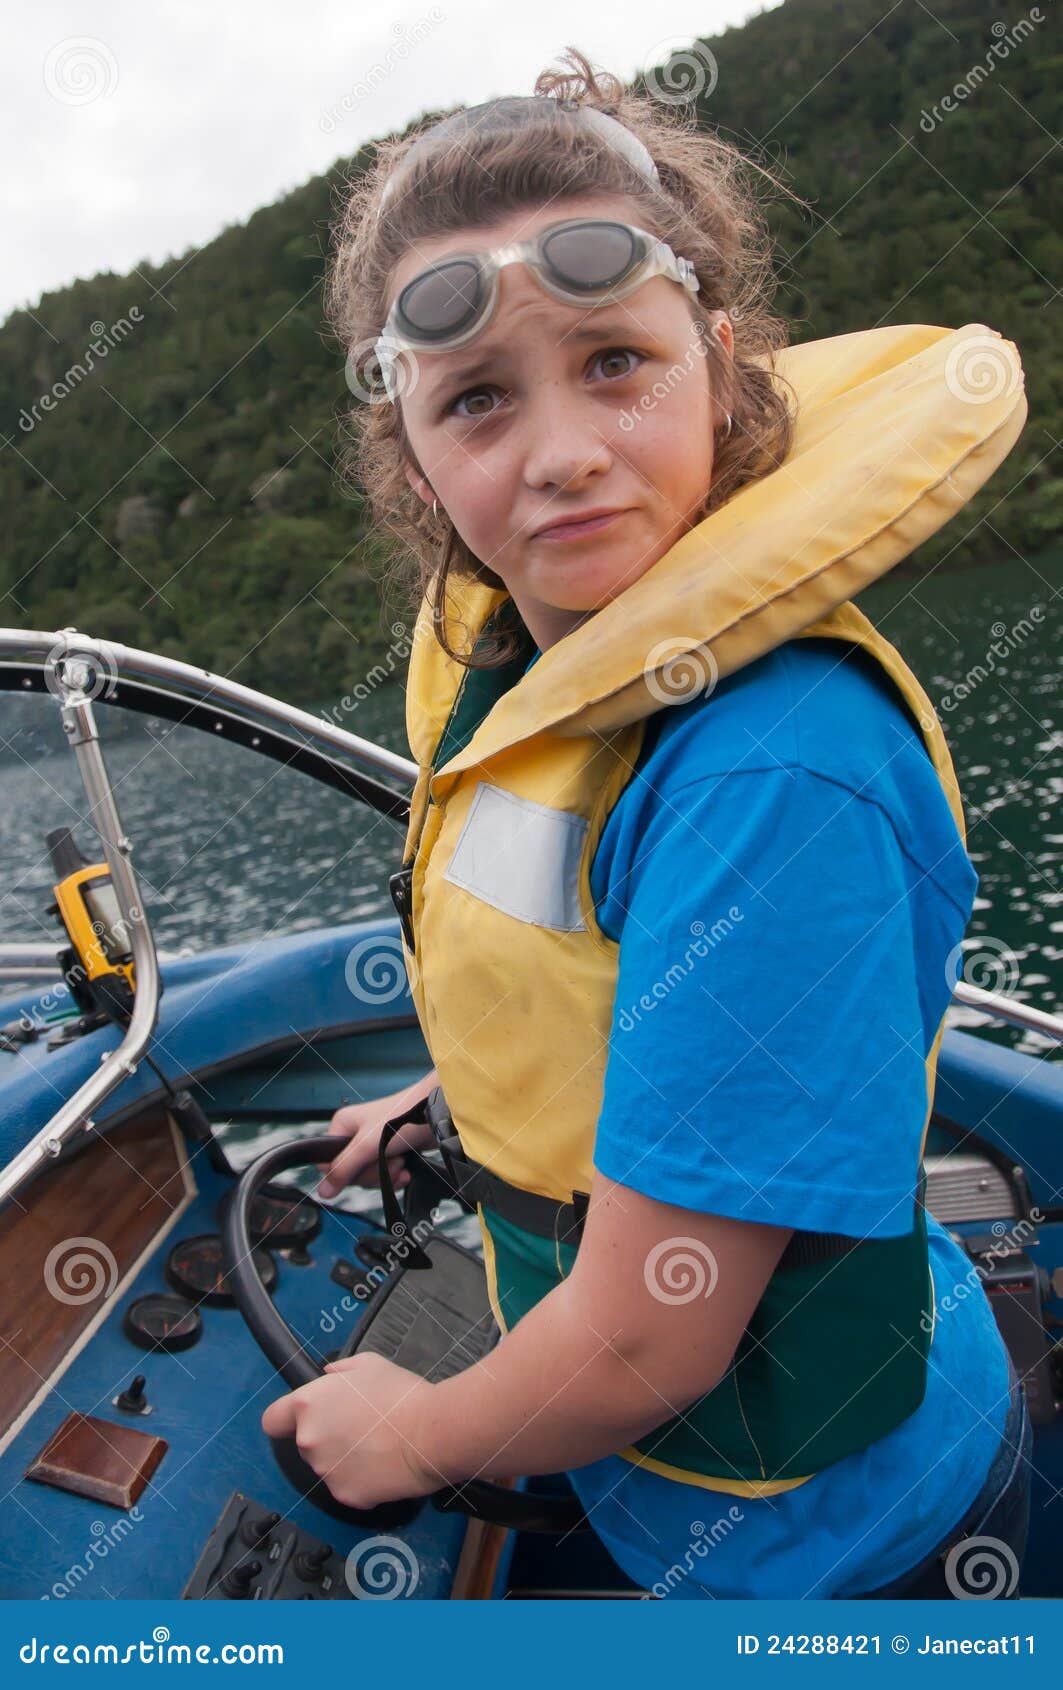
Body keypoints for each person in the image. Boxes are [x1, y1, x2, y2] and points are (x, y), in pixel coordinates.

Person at [261, 49, 1032, 1599]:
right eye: (477, 399)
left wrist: (407, 1438)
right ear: (412, 456)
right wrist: (448, 1105)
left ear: (722, 359)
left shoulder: (774, 776)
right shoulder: (521, 672)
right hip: (645, 1478)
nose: (560, 453)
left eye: (616, 361)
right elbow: (593, 991)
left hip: (833, 1529)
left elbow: (648, 1328)